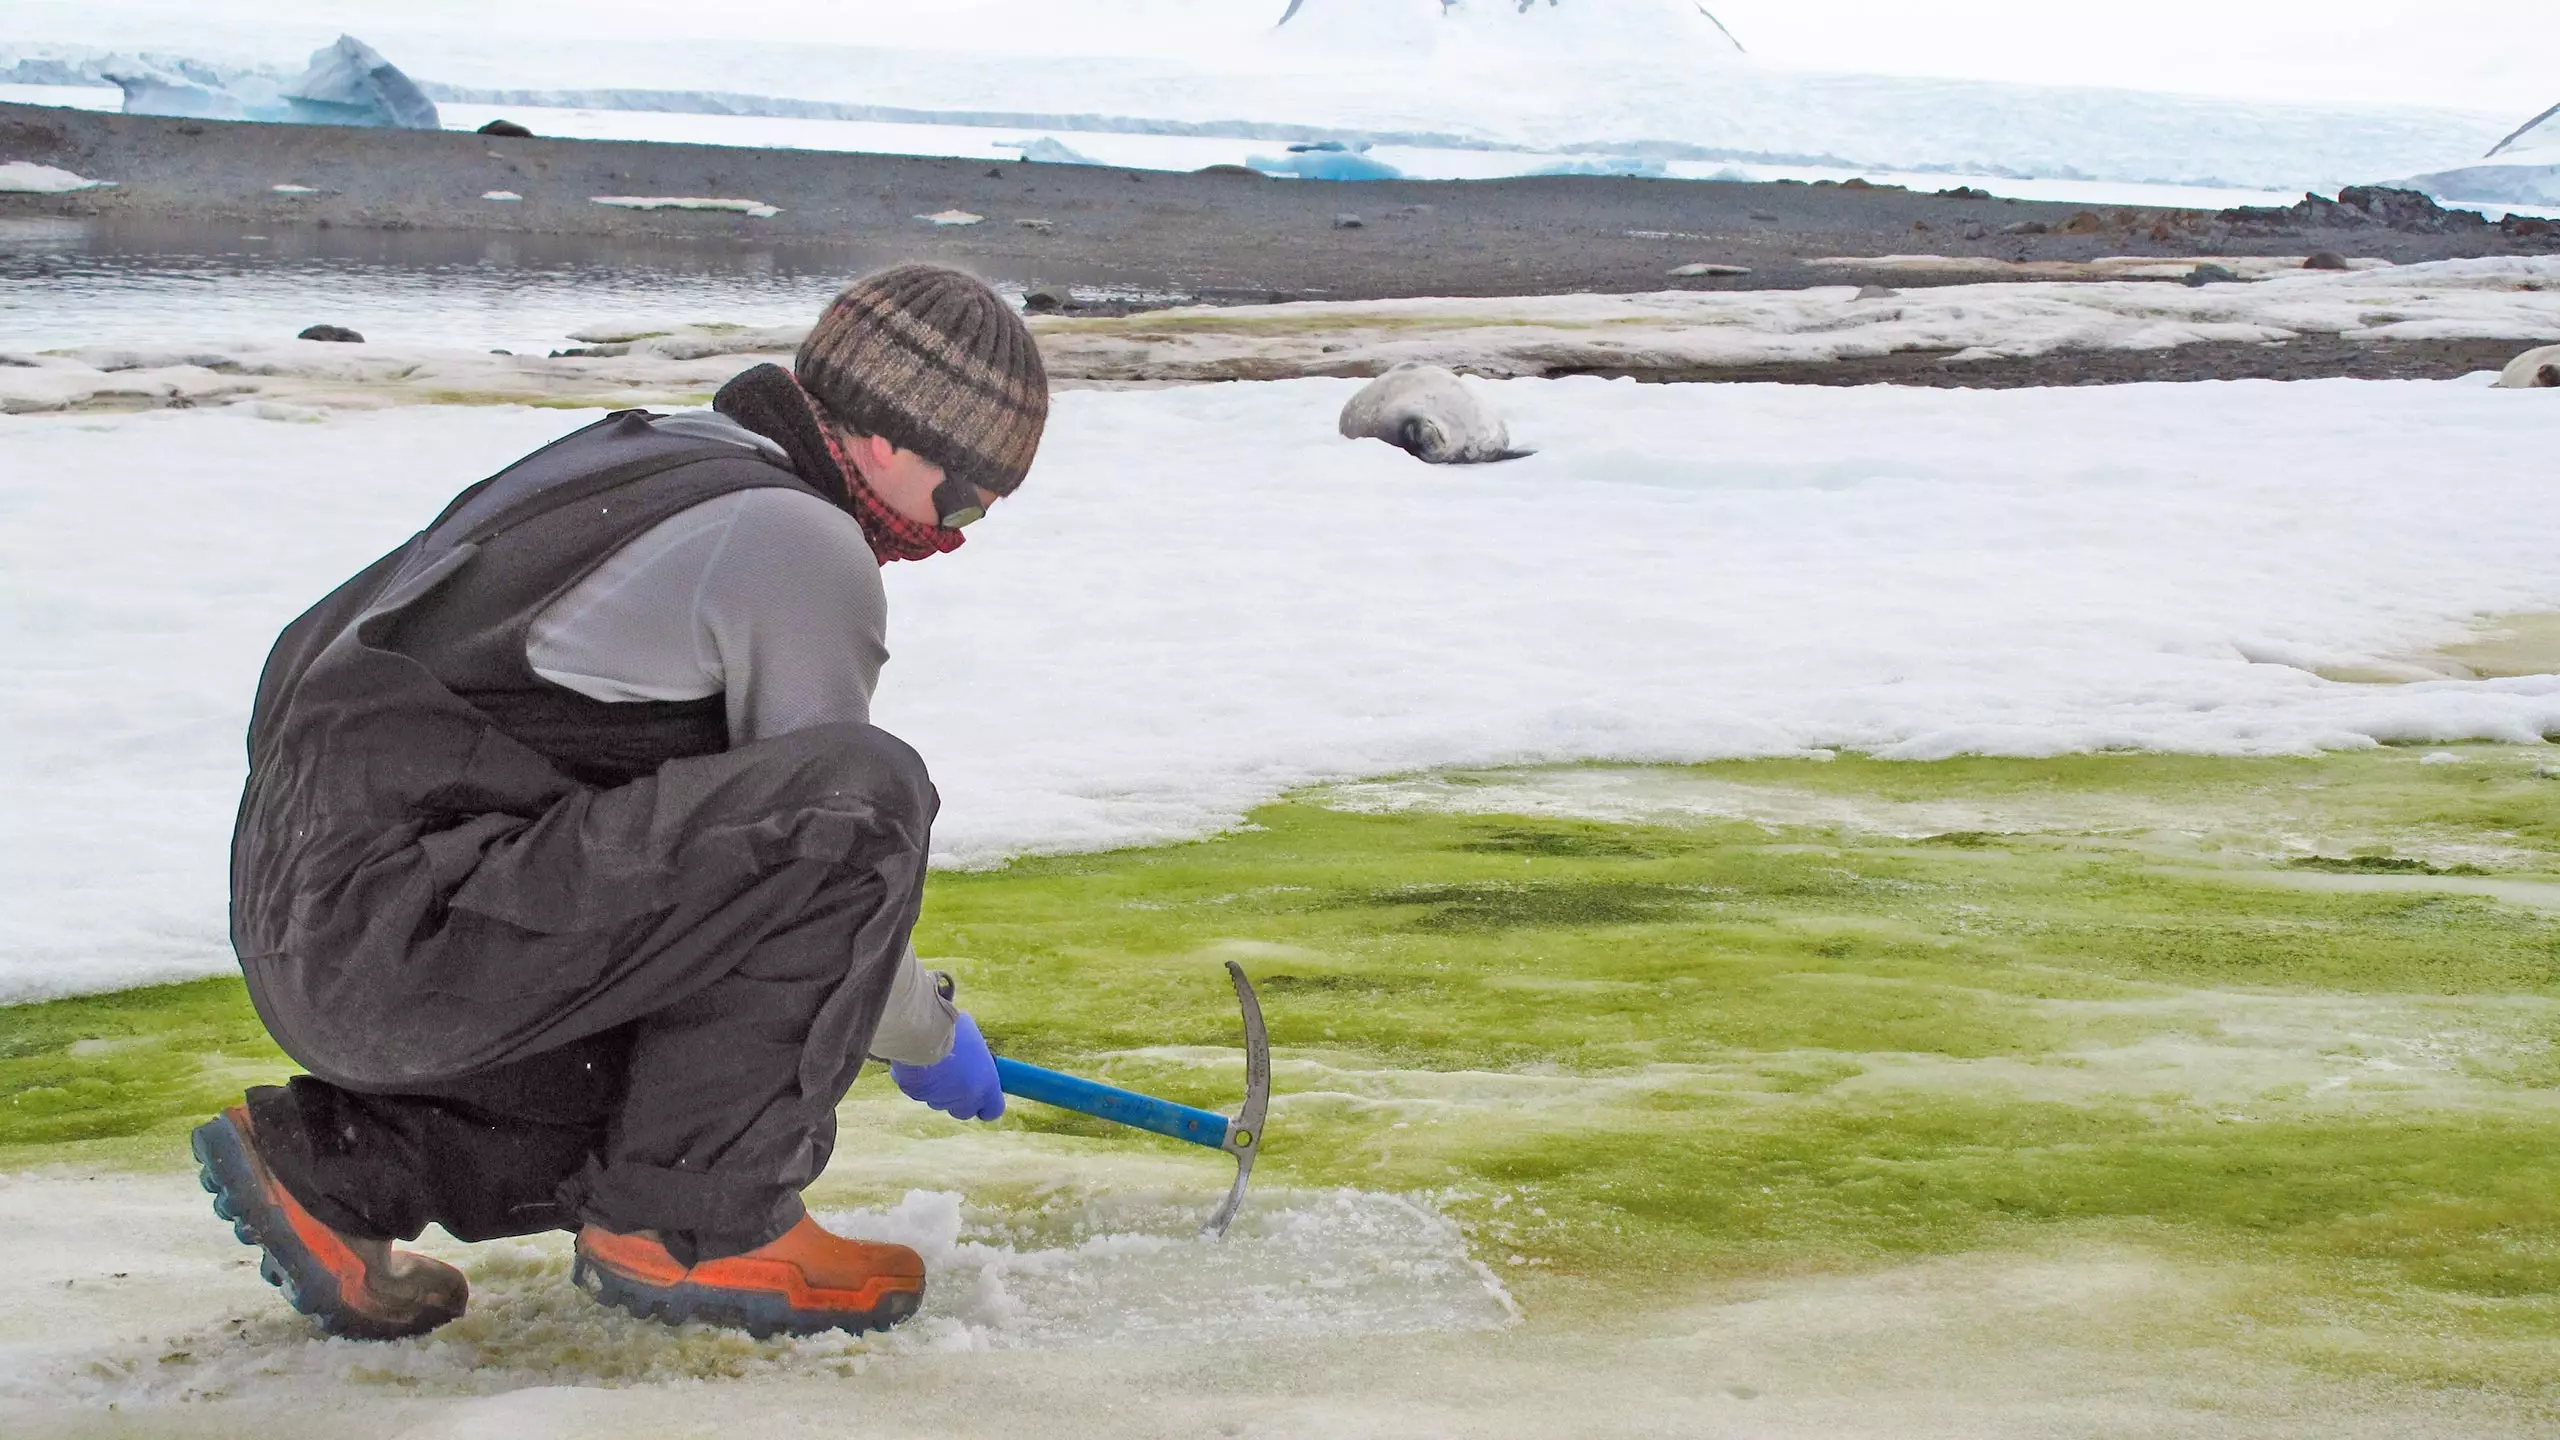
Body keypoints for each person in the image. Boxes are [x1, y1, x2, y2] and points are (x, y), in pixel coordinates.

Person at [191, 264, 1047, 1341]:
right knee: (867, 797)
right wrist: (923, 1028)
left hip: (327, 927)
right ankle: (698, 1228)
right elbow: (825, 843)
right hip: (414, 930)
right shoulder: (796, 538)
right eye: (964, 495)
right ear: (889, 437)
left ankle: (339, 1171)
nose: (956, 532)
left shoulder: (650, 456)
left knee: (673, 1049)